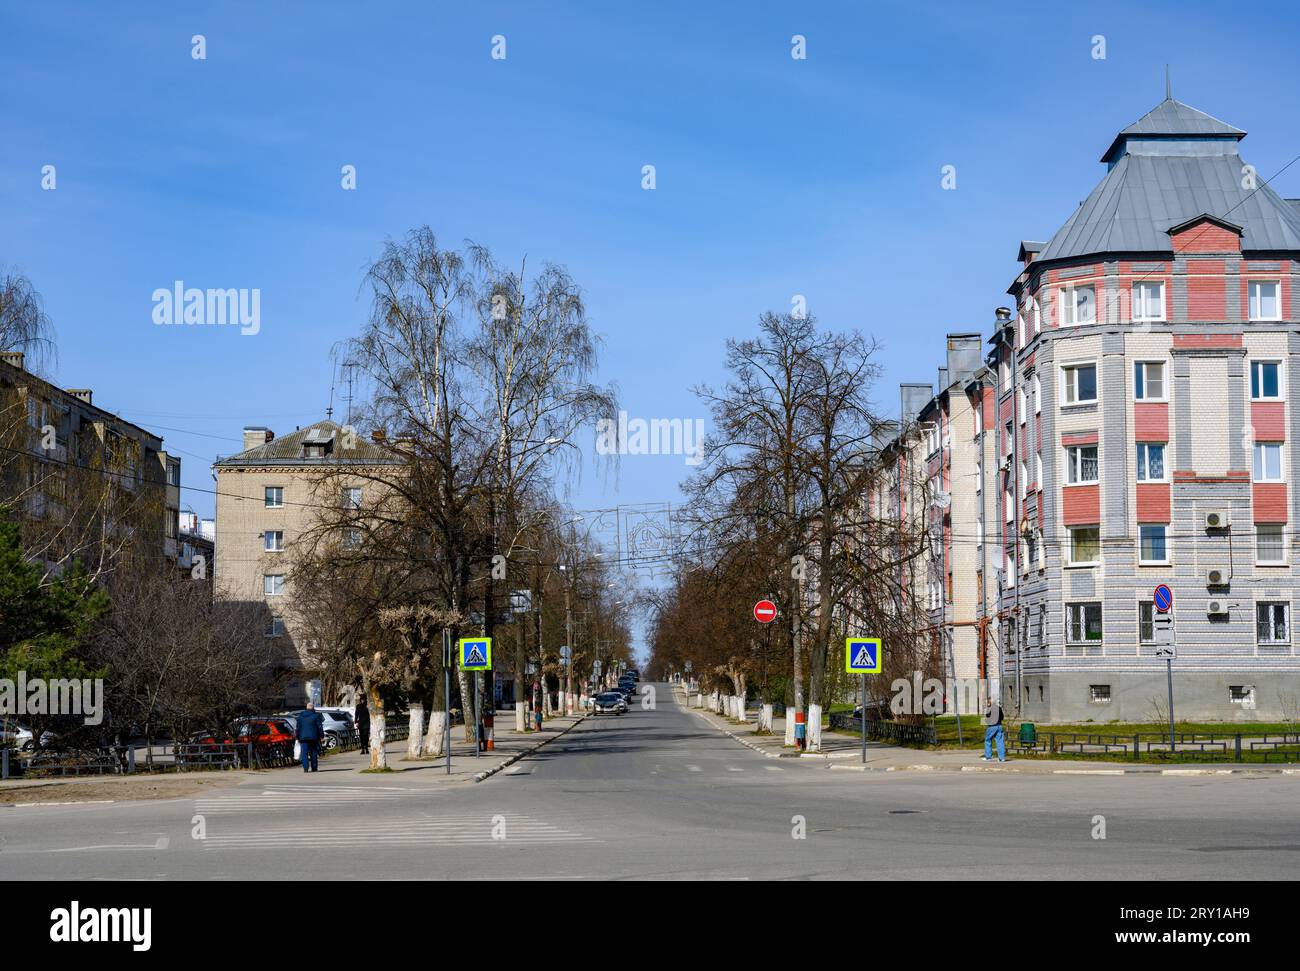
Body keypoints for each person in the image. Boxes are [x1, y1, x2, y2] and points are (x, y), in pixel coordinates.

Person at [297, 701, 325, 772]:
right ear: (313, 708)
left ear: (306, 708)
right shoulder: (316, 716)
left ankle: (305, 768)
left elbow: (298, 727)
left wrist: (297, 737)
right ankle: (314, 767)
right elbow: (319, 727)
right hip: (313, 737)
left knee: (304, 753)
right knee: (313, 752)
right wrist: (322, 736)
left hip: (303, 737)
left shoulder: (300, 716)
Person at [982, 693, 1006, 763]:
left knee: (987, 739)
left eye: (988, 701)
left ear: (990, 701)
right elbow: (1002, 717)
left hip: (992, 726)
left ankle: (988, 756)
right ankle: (1002, 758)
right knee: (1000, 741)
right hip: (999, 726)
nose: (987, 702)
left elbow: (987, 717)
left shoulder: (989, 708)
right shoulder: (999, 708)